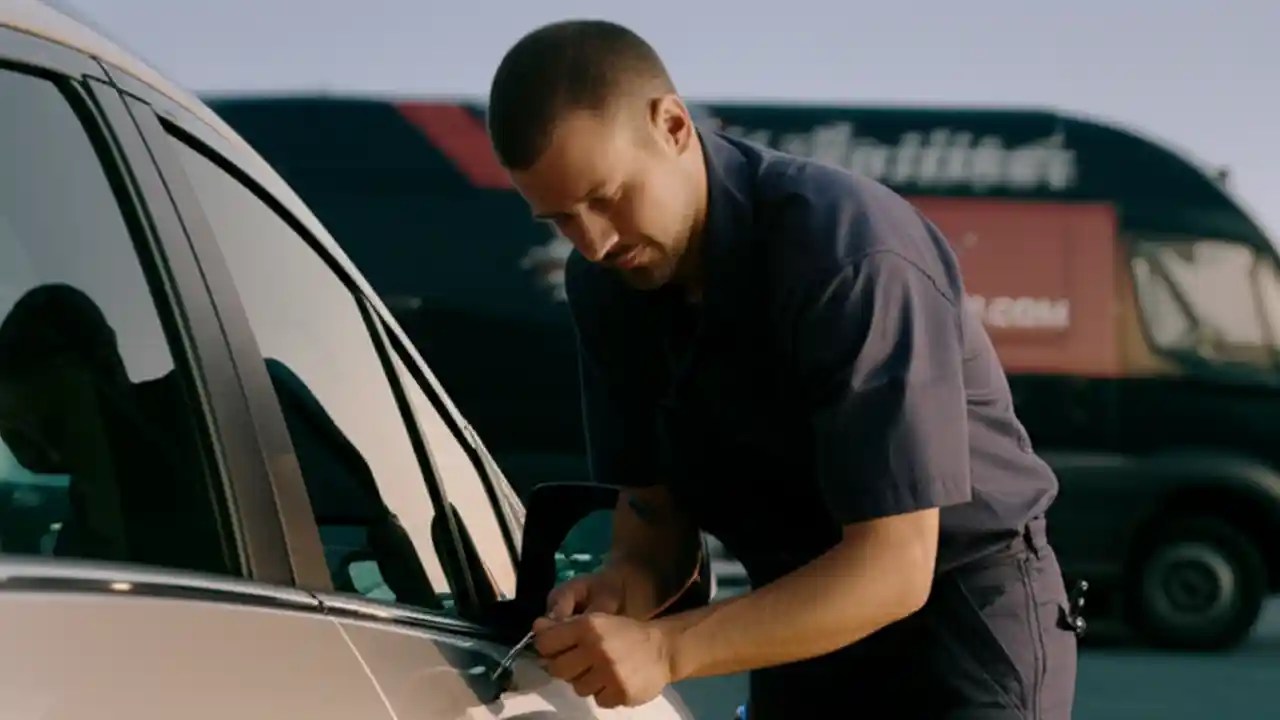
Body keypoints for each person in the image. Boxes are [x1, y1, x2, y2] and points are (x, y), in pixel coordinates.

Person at [485, 20, 1080, 718]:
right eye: (559, 219)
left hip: (957, 618)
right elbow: (654, 522)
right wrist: (623, 592)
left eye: (607, 196)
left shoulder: (848, 254)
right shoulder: (605, 287)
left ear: (673, 125)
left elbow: (894, 567)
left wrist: (668, 651)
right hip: (790, 619)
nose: (595, 240)